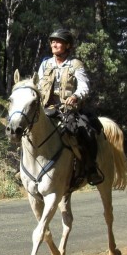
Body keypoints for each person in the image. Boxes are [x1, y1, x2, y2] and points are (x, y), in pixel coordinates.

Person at [36, 28, 104, 185]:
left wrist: (75, 96)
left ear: (67, 45)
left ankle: (91, 169)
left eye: (58, 41)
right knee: (28, 128)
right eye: (52, 41)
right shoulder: (45, 64)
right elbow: (39, 85)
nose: (54, 44)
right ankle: (23, 168)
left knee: (86, 131)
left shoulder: (76, 64)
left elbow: (84, 86)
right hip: (47, 109)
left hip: (69, 111)